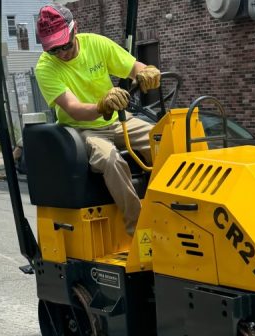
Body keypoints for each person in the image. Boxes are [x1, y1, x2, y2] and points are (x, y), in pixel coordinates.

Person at [35, 2, 161, 236]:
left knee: (164, 140)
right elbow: (74, 109)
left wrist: (146, 70)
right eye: (53, 49)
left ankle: (167, 213)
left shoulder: (96, 43)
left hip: (118, 120)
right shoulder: (45, 68)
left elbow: (133, 67)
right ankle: (141, 230)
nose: (61, 53)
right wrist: (102, 105)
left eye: (65, 45)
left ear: (75, 30)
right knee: (111, 160)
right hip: (82, 131)